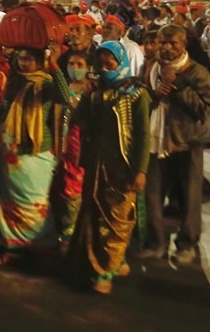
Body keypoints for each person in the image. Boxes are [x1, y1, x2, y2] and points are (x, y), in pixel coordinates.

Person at [68, 41, 150, 295]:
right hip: (96, 163)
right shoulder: (96, 91)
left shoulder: (137, 93)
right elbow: (77, 118)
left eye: (110, 61)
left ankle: (104, 270)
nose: (105, 67)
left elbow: (144, 136)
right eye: (101, 62)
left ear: (121, 61)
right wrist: (83, 94)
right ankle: (109, 263)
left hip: (123, 167)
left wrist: (141, 170)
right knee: (94, 214)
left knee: (117, 218)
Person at [0, 46, 65, 261]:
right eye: (21, 59)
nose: (24, 63)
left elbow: (64, 96)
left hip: (35, 153)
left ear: (39, 62)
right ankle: (9, 247)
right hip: (8, 149)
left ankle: (41, 246)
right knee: (8, 203)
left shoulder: (47, 83)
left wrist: (55, 65)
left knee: (34, 202)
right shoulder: (15, 81)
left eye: (29, 60)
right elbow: (5, 109)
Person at [138, 24, 210, 264]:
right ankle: (156, 244)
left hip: (186, 143)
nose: (167, 48)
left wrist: (176, 87)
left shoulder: (196, 72)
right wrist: (155, 94)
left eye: (173, 43)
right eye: (163, 43)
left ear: (183, 44)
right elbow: (143, 102)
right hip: (156, 141)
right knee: (152, 196)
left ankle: (187, 244)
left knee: (190, 199)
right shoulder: (151, 68)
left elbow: (205, 109)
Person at [52, 50, 92, 247]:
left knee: (73, 187)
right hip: (59, 143)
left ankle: (71, 234)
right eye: (71, 64)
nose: (75, 68)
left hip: (79, 144)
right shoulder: (61, 88)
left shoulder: (91, 91)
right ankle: (60, 230)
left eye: (79, 65)